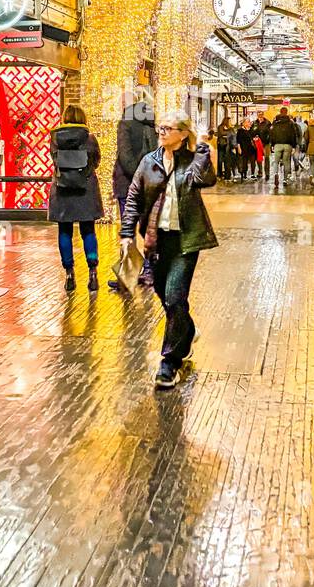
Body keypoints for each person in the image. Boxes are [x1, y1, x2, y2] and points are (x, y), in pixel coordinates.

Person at [120, 113, 217, 390]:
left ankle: (169, 362)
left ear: (183, 134)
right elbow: (134, 198)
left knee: (175, 297)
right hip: (156, 241)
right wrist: (127, 234)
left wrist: (201, 146)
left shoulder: (191, 160)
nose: (161, 132)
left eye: (168, 128)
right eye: (159, 127)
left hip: (186, 240)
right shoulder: (149, 162)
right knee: (165, 295)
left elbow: (204, 178)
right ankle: (185, 329)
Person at [49, 104, 103, 293]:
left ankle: (69, 273)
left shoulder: (55, 138)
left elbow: (54, 161)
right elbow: (96, 161)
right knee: (88, 231)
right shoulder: (89, 139)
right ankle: (93, 271)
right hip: (86, 190)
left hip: (62, 190)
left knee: (65, 231)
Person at [109, 88, 157, 289]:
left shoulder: (126, 122)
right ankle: (149, 271)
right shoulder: (151, 121)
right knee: (146, 229)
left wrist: (134, 176)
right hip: (149, 183)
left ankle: (128, 275)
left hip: (128, 184)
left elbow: (125, 155)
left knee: (128, 230)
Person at [269, 104, 298, 189]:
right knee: (286, 162)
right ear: (287, 112)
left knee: (276, 161)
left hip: (277, 145)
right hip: (288, 145)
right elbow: (293, 135)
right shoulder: (290, 123)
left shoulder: (275, 122)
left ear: (280, 112)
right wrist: (293, 146)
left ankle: (275, 174)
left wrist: (272, 144)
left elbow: (272, 134)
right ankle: (285, 179)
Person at [252, 111, 272, 181]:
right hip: (257, 143)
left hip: (266, 143)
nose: (260, 116)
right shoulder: (254, 123)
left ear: (263, 115)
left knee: (267, 158)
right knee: (259, 158)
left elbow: (270, 133)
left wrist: (268, 141)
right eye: (259, 114)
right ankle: (260, 172)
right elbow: (252, 132)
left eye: (261, 114)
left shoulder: (267, 122)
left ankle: (267, 173)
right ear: (257, 115)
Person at [216, 114, 235, 180]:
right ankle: (220, 174)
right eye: (229, 121)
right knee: (220, 160)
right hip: (221, 145)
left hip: (228, 146)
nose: (230, 122)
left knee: (227, 161)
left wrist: (227, 135)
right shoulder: (220, 127)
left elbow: (233, 134)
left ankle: (227, 174)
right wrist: (228, 134)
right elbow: (221, 133)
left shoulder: (231, 128)